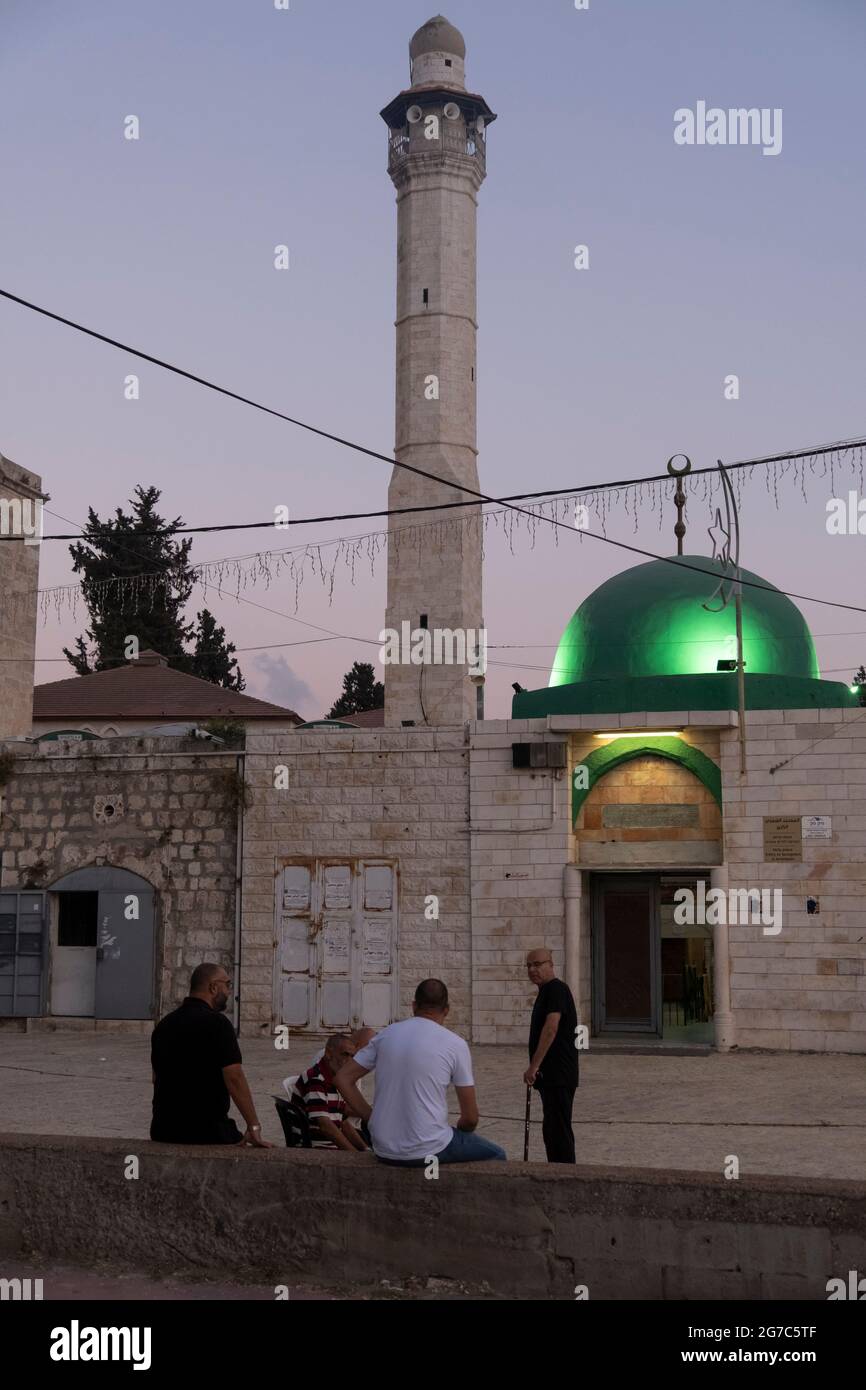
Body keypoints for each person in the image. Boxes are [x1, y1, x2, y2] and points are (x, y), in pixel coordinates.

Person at [335, 979, 506, 1166]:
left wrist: (371, 1117)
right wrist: (462, 1131)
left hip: (384, 1148)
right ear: (446, 1010)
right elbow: (471, 1118)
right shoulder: (455, 1044)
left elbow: (343, 1078)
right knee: (497, 1155)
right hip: (429, 1149)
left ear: (414, 1006)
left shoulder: (386, 1034)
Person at [150, 963, 271, 1147]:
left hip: (163, 1130)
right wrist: (253, 1126)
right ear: (213, 987)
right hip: (207, 1132)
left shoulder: (164, 1025)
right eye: (227, 985)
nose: (229, 992)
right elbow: (235, 1078)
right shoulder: (218, 1024)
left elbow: (156, 1077)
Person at [523, 949, 578, 1163]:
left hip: (559, 1074)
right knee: (552, 1129)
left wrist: (533, 1066)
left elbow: (551, 1028)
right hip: (551, 1076)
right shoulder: (545, 991)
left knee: (558, 1131)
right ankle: (556, 1170)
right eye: (528, 966)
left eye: (537, 964)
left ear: (551, 964)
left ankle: (564, 1175)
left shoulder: (556, 989)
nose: (532, 969)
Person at [291, 1034, 368, 1152]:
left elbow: (343, 1122)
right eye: (345, 1054)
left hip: (329, 1144)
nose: (349, 1061)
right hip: (317, 1148)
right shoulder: (316, 1079)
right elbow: (325, 1126)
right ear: (328, 1053)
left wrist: (364, 1149)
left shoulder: (336, 1078)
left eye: (352, 1056)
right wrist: (354, 1154)